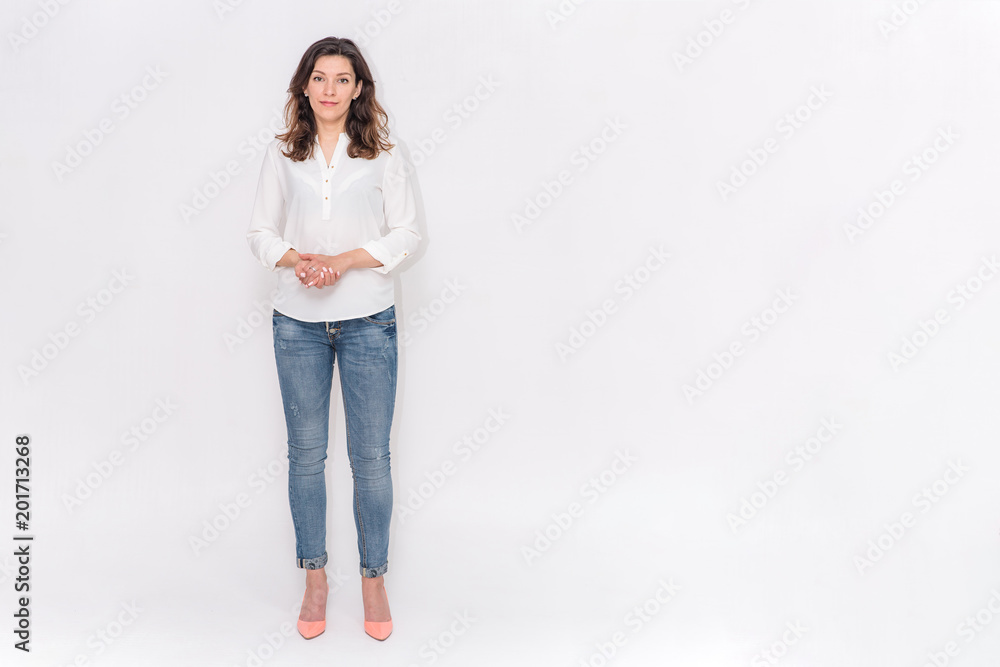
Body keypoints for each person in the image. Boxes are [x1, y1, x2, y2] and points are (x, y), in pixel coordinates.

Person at [245, 35, 422, 642]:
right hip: (296, 323)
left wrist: (343, 260)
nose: (328, 90)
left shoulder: (383, 152)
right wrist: (299, 260)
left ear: (358, 89)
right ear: (304, 86)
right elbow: (260, 232)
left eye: (341, 80)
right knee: (306, 455)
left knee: (371, 459)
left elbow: (408, 235)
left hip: (370, 321)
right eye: (319, 78)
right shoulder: (281, 153)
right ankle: (314, 577)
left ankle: (374, 578)